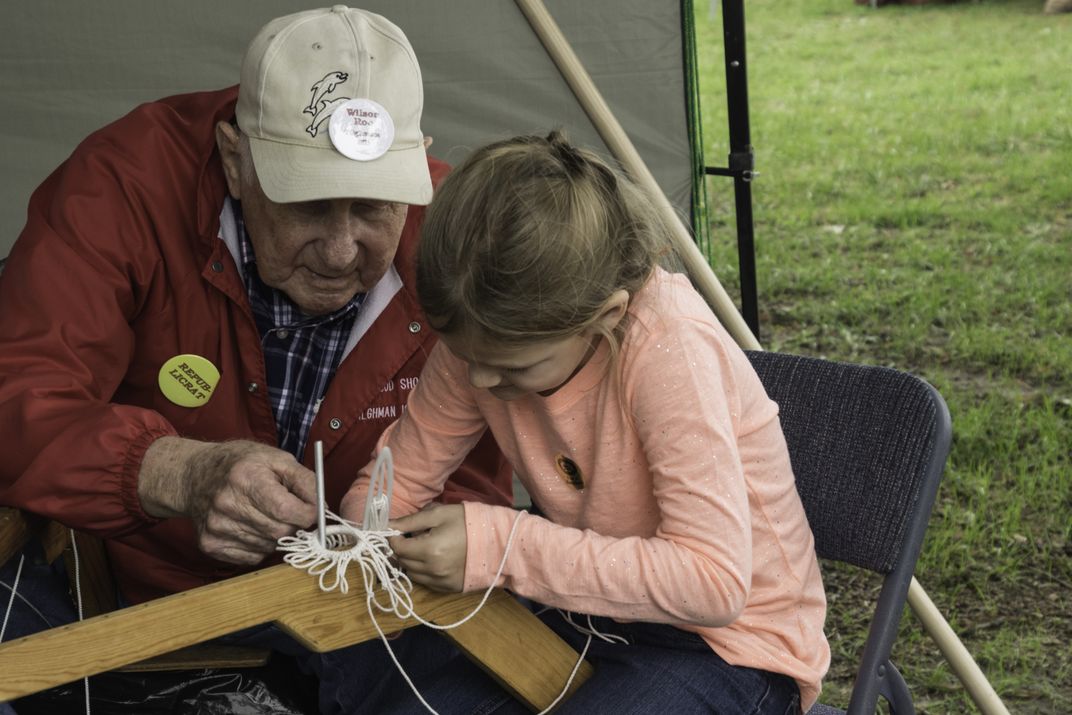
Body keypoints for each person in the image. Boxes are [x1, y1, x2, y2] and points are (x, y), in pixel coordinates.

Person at [0, 5, 511, 710]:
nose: (341, 250)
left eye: (372, 208)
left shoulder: (458, 237)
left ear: (418, 159)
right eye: (307, 207)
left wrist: (424, 540)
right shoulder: (125, 187)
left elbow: (494, 465)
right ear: (236, 160)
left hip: (384, 617)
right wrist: (178, 469)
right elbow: (18, 394)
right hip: (153, 617)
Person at [339, 132, 831, 714]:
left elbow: (713, 584)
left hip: (730, 646)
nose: (478, 383)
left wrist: (500, 546)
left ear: (606, 316)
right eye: (467, 359)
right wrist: (370, 532)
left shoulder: (669, 350)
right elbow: (395, 484)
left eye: (510, 368)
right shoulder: (485, 338)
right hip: (592, 611)